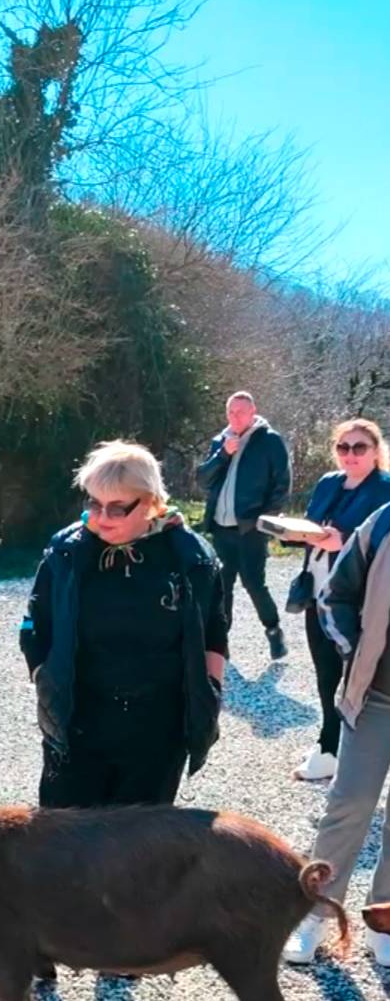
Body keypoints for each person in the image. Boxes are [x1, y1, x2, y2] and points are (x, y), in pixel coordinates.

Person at [20, 439, 227, 809]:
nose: (100, 518)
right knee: (62, 844)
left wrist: (210, 689)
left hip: (158, 731)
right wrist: (43, 676)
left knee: (137, 851)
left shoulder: (192, 558)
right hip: (77, 723)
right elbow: (35, 623)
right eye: (93, 503)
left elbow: (213, 632)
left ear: (151, 502)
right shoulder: (66, 552)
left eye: (117, 508)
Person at [283, 497, 390, 966]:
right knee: (349, 803)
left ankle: (382, 921)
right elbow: (335, 594)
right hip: (377, 696)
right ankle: (314, 913)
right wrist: (354, 651)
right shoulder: (382, 521)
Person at [291, 418, 390, 782]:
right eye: (343, 448)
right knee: (324, 675)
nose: (350, 455)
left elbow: (379, 547)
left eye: (359, 447)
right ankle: (329, 745)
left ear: (376, 451)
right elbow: (313, 524)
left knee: (355, 676)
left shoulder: (385, 490)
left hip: (358, 599)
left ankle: (344, 748)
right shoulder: (328, 483)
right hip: (319, 590)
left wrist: (342, 540)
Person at [196, 391, 291, 659]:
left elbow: (282, 485)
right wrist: (223, 455)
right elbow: (203, 480)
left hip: (251, 528)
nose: (235, 417)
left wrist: (265, 519)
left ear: (253, 412)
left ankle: (273, 630)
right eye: (231, 412)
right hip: (221, 527)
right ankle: (220, 643)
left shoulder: (270, 441)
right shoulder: (220, 440)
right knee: (222, 586)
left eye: (240, 411)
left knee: (253, 583)